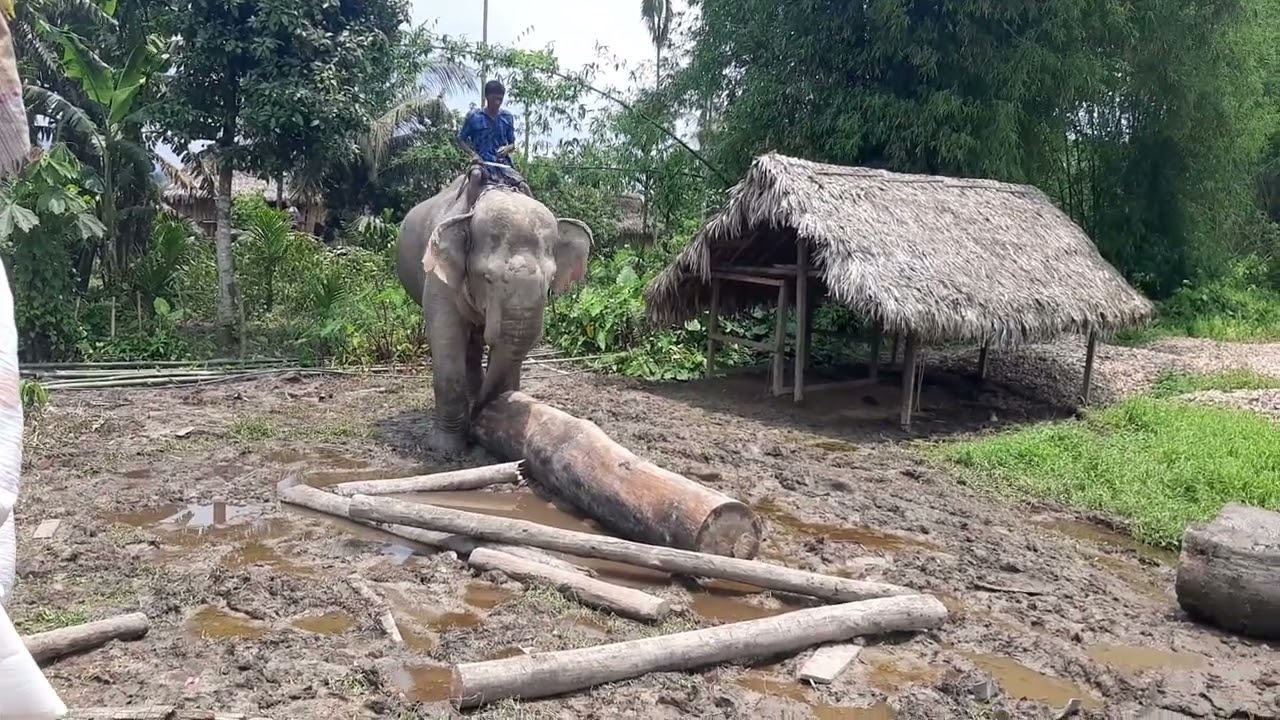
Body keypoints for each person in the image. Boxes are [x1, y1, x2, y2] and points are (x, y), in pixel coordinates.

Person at [455, 79, 532, 209]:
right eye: (495, 99)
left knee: (524, 186)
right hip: (482, 163)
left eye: (500, 99)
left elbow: (512, 143)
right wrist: (473, 154)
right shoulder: (474, 116)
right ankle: (469, 211)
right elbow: (460, 139)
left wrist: (507, 148)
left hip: (503, 165)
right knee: (475, 175)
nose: (498, 102)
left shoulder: (507, 117)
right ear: (487, 97)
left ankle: (536, 217)